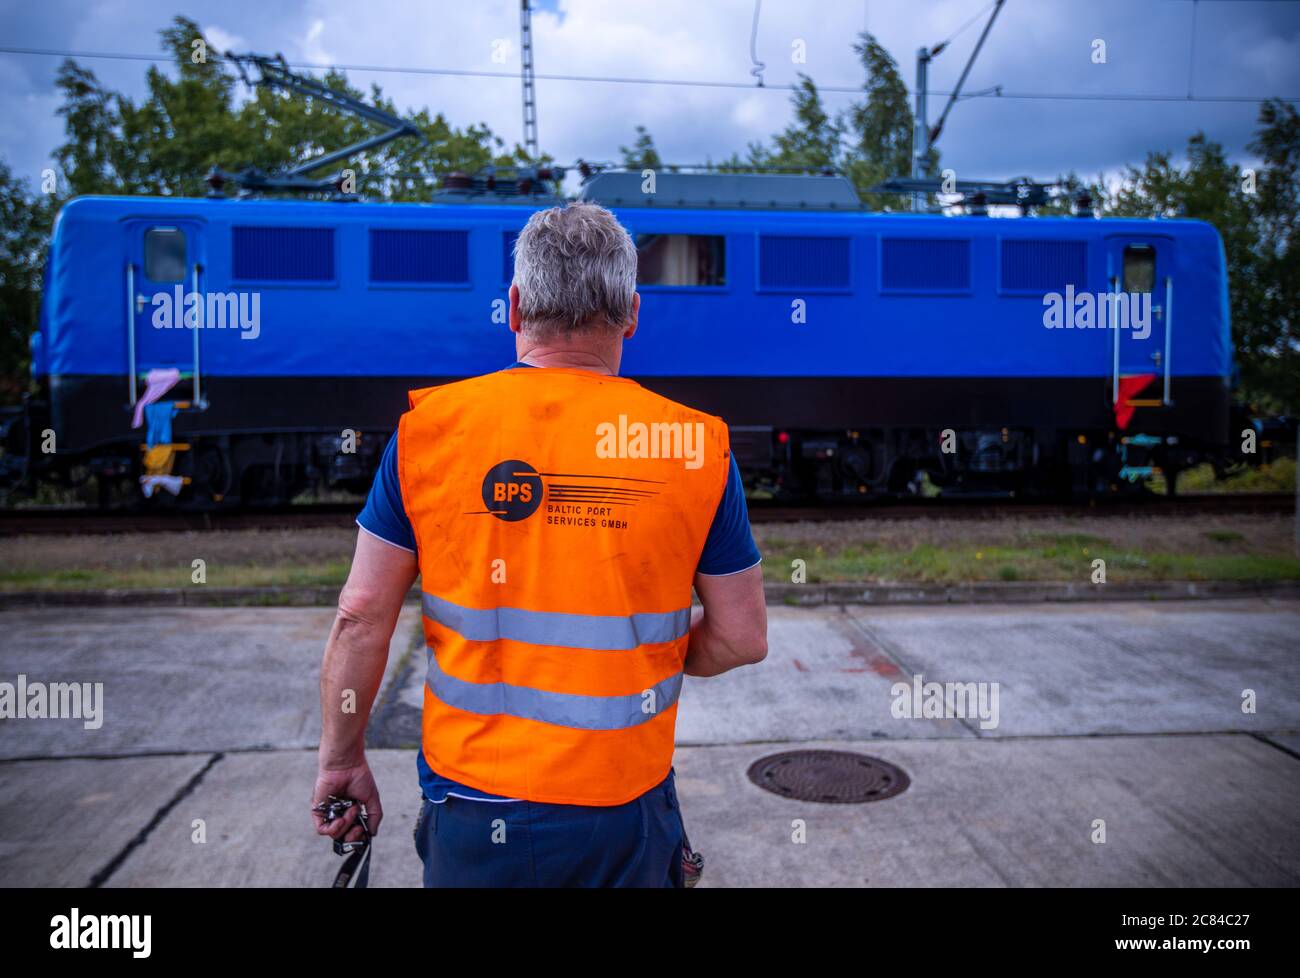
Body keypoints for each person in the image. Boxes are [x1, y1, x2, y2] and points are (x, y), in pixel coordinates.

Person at [313, 201, 767, 887]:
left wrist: (342, 758)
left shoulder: (428, 434)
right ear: (632, 314)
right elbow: (742, 638)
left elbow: (360, 615)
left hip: (474, 804)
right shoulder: (695, 446)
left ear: (517, 306)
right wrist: (643, 658)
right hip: (624, 808)